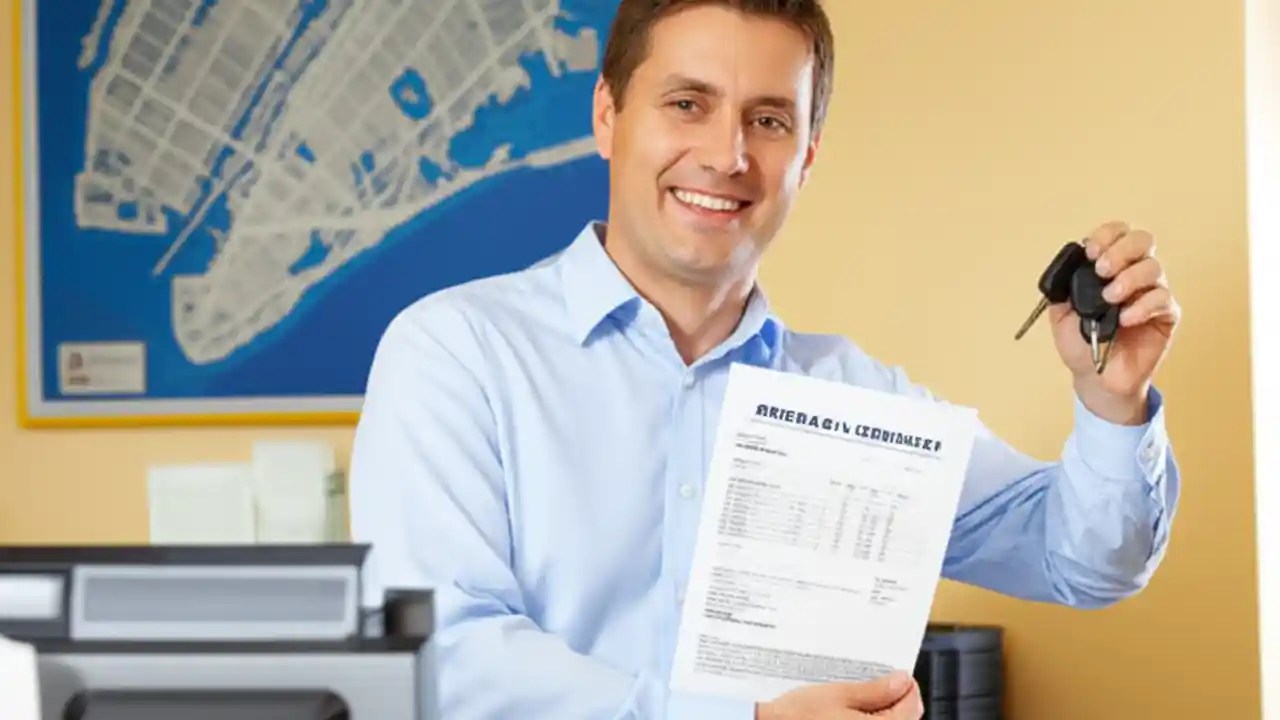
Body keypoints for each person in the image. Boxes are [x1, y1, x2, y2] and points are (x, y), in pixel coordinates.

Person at [348, 1, 1183, 718]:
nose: (727, 155)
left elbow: (1080, 559)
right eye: (686, 103)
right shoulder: (456, 356)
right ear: (607, 116)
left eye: (769, 119)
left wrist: (1111, 397)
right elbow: (444, 664)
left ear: (807, 155)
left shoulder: (858, 400)